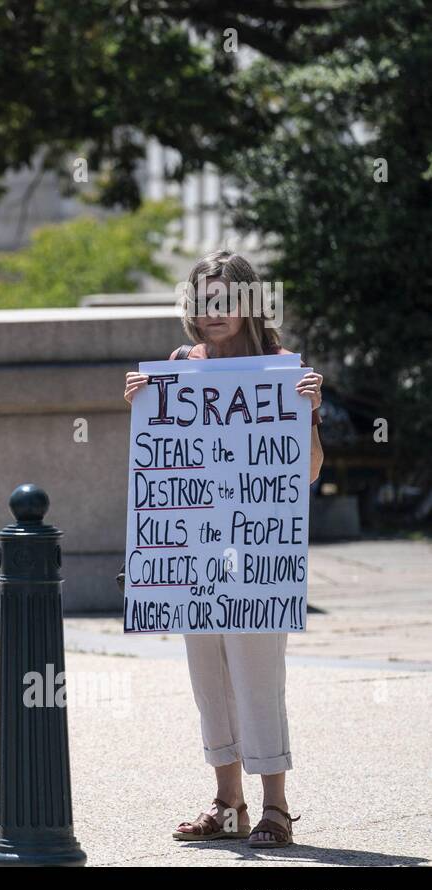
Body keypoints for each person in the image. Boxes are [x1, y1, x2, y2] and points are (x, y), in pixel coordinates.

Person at [124, 249, 324, 849]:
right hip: (192, 552)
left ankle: (276, 807)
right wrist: (143, 401)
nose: (212, 313)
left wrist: (309, 413)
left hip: (257, 553)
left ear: (249, 303)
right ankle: (227, 803)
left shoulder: (283, 370)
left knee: (258, 676)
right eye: (201, 301)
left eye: (224, 300)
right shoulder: (182, 366)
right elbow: (161, 462)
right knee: (208, 676)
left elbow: (310, 472)